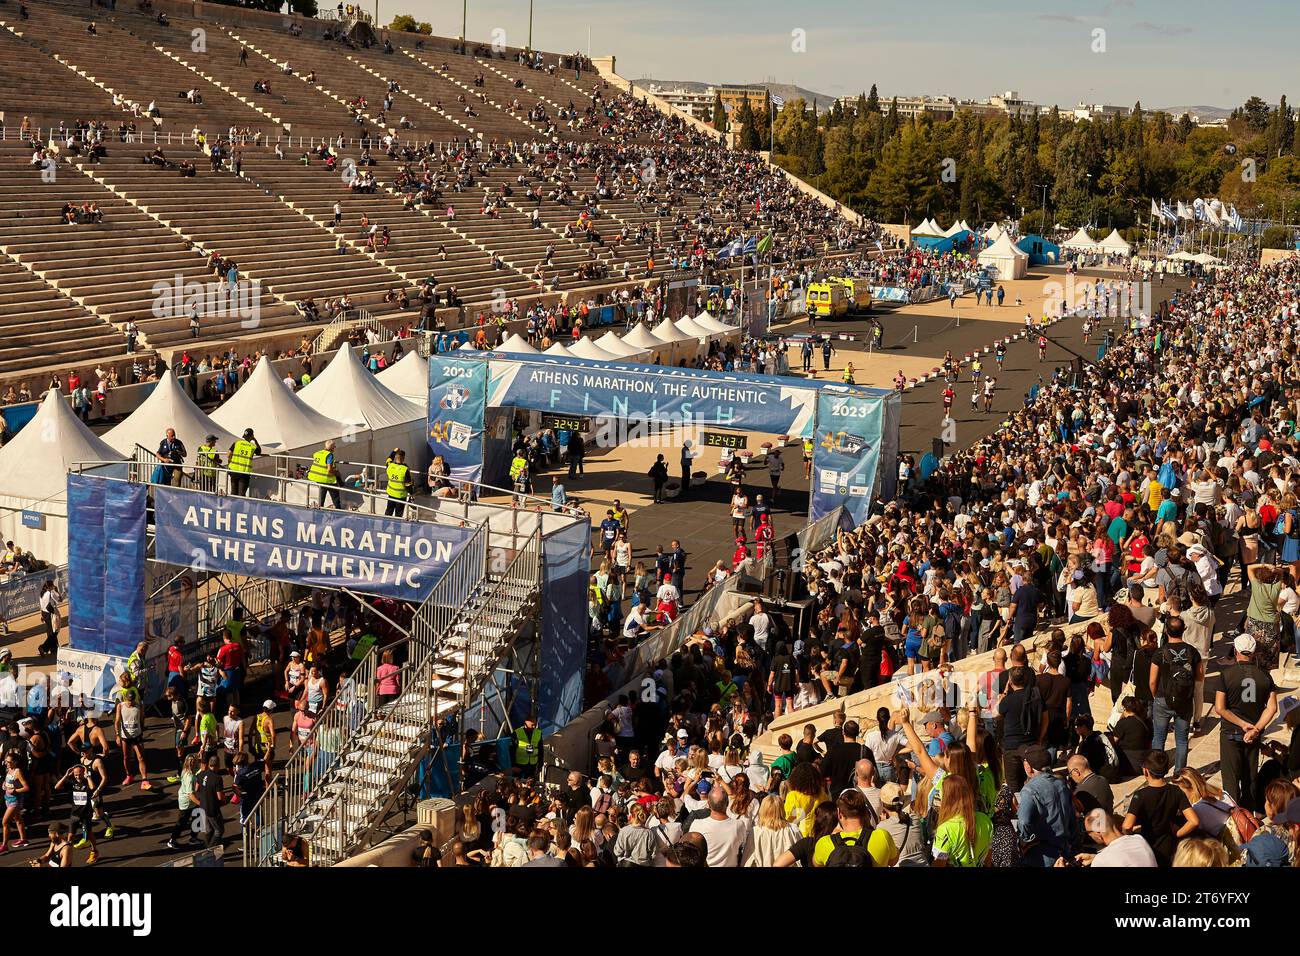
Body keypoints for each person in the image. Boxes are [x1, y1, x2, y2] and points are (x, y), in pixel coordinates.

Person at [1213, 633, 1279, 813]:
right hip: (1253, 736)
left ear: (1235, 651)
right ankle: (1249, 816)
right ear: (1254, 652)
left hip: (1231, 734)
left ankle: (1234, 819)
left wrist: (1242, 724)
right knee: (1250, 778)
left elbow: (1220, 708)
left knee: (1231, 779)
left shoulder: (1226, 675)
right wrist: (1255, 728)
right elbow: (1272, 708)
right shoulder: (1265, 676)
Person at [1122, 749, 1198, 867]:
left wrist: (1129, 835)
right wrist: (1178, 833)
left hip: (1146, 846)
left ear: (1146, 771)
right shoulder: (1176, 791)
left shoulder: (1140, 795)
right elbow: (1194, 821)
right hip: (1168, 845)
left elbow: (1127, 826)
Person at [1149, 615, 1203, 774]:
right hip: (1184, 701)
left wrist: (1155, 697)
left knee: (1159, 738)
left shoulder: (1160, 653)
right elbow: (1200, 676)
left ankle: (1156, 772)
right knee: (1181, 740)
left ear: (1166, 631)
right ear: (1184, 630)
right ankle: (1179, 774)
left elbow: (1152, 681)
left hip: (1162, 699)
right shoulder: (1192, 651)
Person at [1016, 744, 1075, 866]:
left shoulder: (1030, 790)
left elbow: (1024, 822)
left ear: (1028, 767)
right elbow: (1072, 817)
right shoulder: (1062, 784)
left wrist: (1026, 840)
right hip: (1063, 849)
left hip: (1041, 854)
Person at [1074, 808, 1157, 867]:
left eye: (1089, 832)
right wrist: (1096, 858)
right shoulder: (1139, 839)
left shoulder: (1102, 861)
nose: (1089, 835)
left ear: (1098, 832)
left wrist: (1098, 860)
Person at [690, 784, 750, 867]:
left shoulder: (697, 824)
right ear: (728, 803)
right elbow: (742, 845)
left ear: (708, 804)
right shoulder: (739, 825)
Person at [309, 439, 343, 508]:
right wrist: (337, 473)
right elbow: (329, 470)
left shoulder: (318, 453)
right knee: (336, 498)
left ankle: (319, 513)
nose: (335, 447)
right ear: (332, 448)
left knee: (321, 498)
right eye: (334, 446)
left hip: (319, 479)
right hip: (327, 479)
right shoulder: (329, 455)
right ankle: (338, 513)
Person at [227, 428, 260, 496]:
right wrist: (255, 440)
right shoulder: (252, 446)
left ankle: (233, 505)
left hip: (233, 470)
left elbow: (228, 454)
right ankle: (239, 506)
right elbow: (259, 451)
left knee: (233, 492)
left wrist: (230, 463)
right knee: (241, 494)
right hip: (244, 473)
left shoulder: (237, 443)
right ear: (252, 436)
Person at [384, 448, 413, 516]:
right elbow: (408, 485)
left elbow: (388, 460)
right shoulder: (405, 470)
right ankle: (396, 526)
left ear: (396, 457)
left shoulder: (390, 466)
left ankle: (384, 525)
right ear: (403, 458)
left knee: (388, 511)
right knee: (398, 514)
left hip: (391, 494)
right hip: (401, 496)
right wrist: (411, 493)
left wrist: (394, 451)